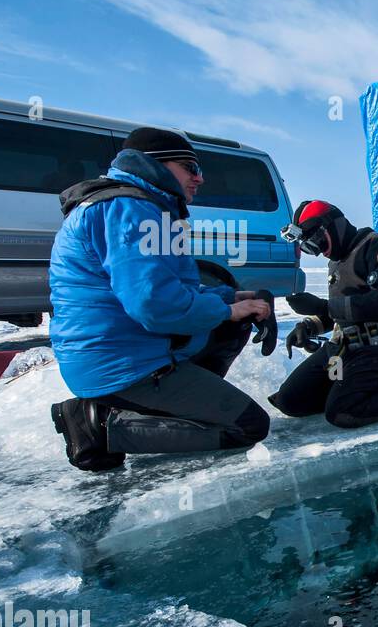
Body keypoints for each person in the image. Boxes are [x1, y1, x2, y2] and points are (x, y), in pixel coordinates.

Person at [49, 127, 273, 471]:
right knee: (248, 426)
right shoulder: (129, 208)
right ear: (153, 165)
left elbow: (170, 288)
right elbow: (154, 306)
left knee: (232, 320)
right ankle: (100, 425)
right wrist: (226, 310)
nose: (199, 178)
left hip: (121, 353)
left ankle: (172, 404)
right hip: (121, 366)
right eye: (190, 167)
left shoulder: (143, 206)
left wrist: (230, 298)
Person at [269, 200, 378, 428]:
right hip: (341, 352)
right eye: (311, 246)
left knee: (344, 412)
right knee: (290, 401)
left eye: (316, 241)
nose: (318, 252)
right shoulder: (336, 263)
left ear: (332, 227)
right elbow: (340, 312)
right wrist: (309, 326)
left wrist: (323, 306)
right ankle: (346, 388)